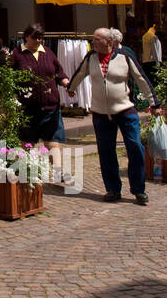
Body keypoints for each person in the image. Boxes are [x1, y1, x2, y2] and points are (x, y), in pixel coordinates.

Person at [68, 27, 159, 204]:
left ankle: (138, 190)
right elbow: (80, 73)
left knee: (135, 147)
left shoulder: (125, 56)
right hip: (101, 113)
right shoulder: (91, 57)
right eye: (93, 39)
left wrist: (154, 102)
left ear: (108, 42)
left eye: (96, 39)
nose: (92, 42)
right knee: (106, 151)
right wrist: (71, 88)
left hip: (125, 109)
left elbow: (141, 78)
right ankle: (112, 189)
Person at [9, 25, 71, 163]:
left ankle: (57, 172)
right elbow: (9, 78)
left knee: (52, 141)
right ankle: (26, 172)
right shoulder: (17, 54)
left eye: (40, 37)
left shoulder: (48, 52)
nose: (38, 40)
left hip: (50, 106)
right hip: (27, 107)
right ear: (26, 37)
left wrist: (67, 84)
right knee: (27, 143)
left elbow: (59, 73)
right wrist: (12, 98)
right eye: (35, 37)